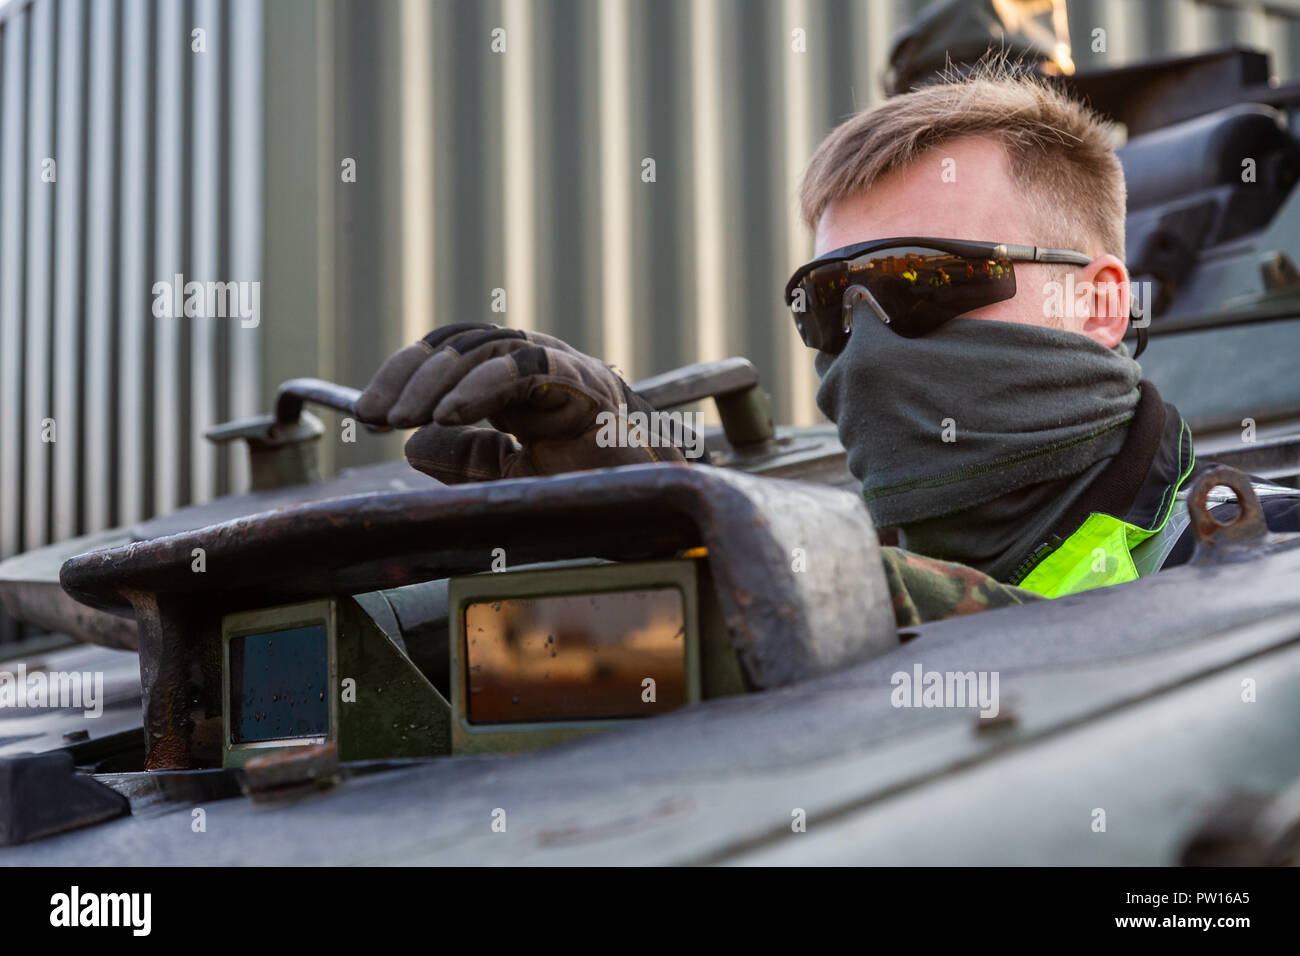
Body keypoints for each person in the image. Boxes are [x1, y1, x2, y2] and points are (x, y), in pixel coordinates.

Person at [356, 65, 1299, 624]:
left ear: (1097, 306)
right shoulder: (836, 527)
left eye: (926, 282)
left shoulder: (1264, 565)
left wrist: (707, 541)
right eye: (829, 305)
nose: (870, 349)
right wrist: (627, 509)